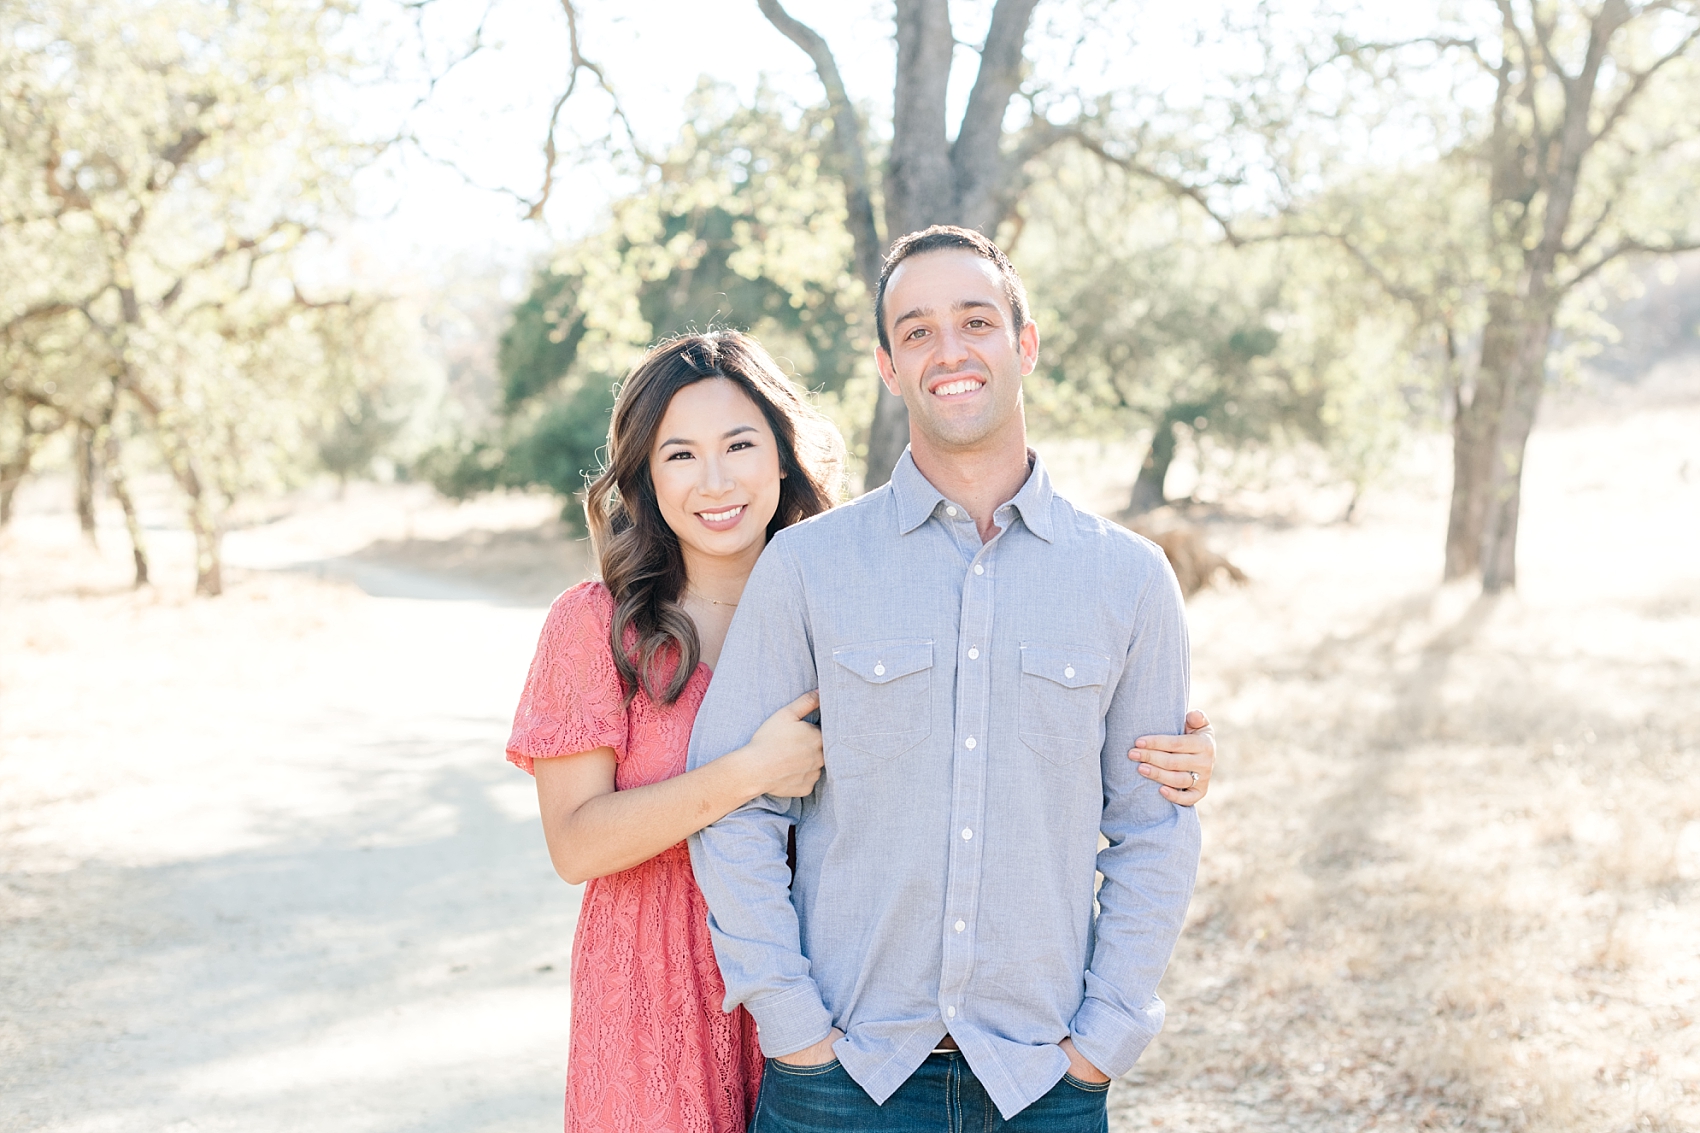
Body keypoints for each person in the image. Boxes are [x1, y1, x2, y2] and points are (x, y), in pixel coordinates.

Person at [507, 330, 1216, 1133]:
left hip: (838, 997)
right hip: (663, 989)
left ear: (782, 455)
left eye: (739, 444)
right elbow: (575, 844)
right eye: (679, 455)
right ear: (643, 473)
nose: (715, 480)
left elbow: (990, 721)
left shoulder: (850, 583)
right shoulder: (595, 625)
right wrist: (747, 770)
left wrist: (1174, 755)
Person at [687, 227, 1200, 1133]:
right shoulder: (808, 567)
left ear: (1024, 344)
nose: (950, 349)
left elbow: (1153, 828)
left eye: (976, 320)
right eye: (917, 331)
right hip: (840, 1081)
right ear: (888, 365)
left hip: (1042, 1082)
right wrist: (796, 1027)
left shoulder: (1130, 579)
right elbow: (735, 809)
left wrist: (1101, 1042)